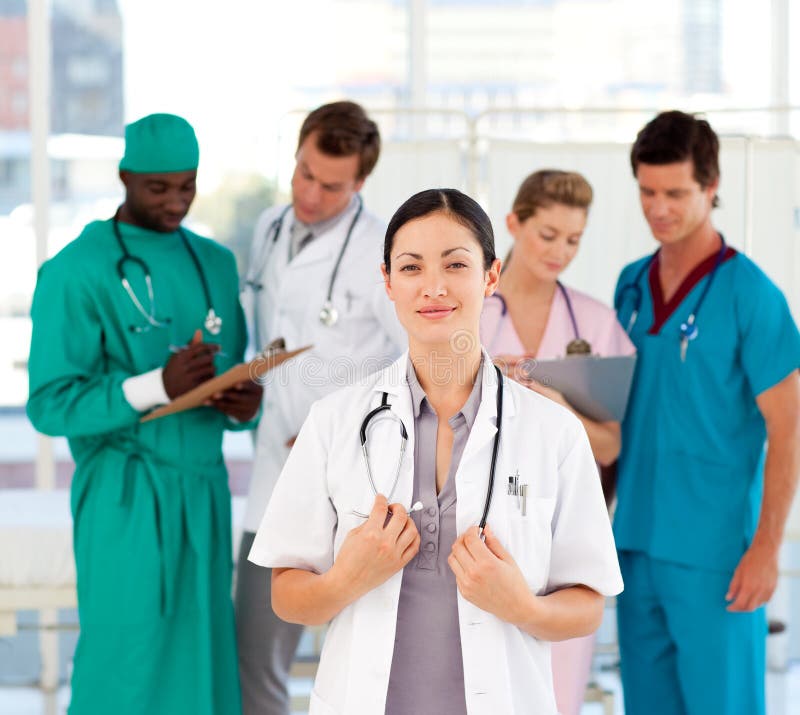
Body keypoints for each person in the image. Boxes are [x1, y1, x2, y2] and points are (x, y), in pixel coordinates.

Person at [248, 188, 623, 714]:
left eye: (455, 264)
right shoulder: (335, 421)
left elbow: (587, 607)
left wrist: (519, 606)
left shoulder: (553, 432)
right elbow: (287, 595)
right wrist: (347, 578)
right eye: (411, 268)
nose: (433, 287)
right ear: (388, 282)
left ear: (490, 276)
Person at [26, 113, 262, 715]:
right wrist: (155, 384)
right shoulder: (77, 270)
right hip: (124, 497)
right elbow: (50, 404)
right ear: (125, 177)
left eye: (188, 185)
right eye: (159, 188)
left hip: (202, 493)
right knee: (125, 660)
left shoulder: (214, 263)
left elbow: (229, 364)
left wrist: (243, 404)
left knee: (202, 661)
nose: (176, 201)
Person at [613, 110, 800, 715]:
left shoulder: (752, 295)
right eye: (646, 192)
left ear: (711, 186)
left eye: (675, 193)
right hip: (633, 544)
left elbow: (789, 426)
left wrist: (768, 548)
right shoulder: (631, 287)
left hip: (717, 555)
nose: (658, 208)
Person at [236, 100, 403, 715]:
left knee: (365, 665)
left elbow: (421, 361)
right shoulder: (270, 229)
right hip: (277, 475)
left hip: (356, 484)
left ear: (359, 183)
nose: (309, 194)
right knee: (254, 658)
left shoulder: (385, 248)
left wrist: (342, 435)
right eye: (304, 173)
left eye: (331, 185)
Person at [480, 169, 634, 715]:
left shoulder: (593, 321)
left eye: (573, 240)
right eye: (548, 235)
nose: (560, 252)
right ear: (514, 224)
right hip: (480, 537)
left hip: (563, 541)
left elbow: (610, 447)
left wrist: (561, 407)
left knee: (557, 697)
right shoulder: (467, 314)